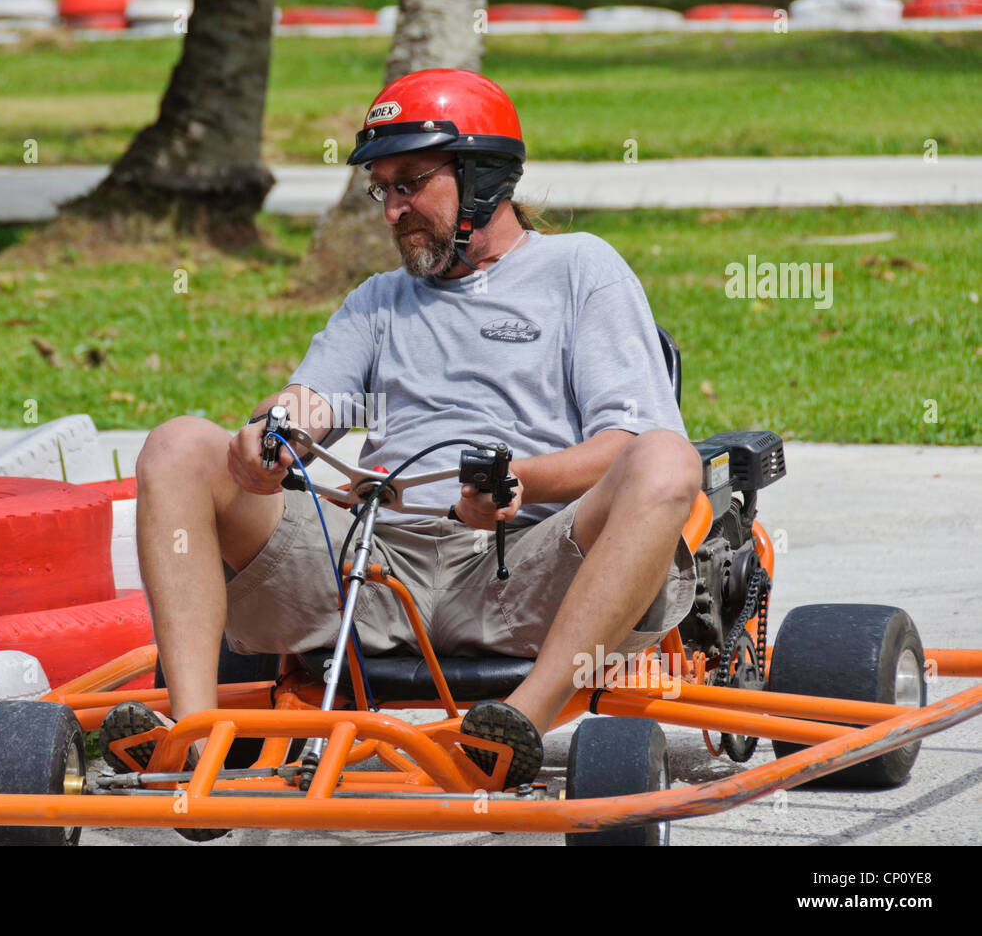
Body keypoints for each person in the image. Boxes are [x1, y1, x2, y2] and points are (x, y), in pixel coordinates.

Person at [118, 69, 702, 789]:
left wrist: (521, 480)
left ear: (483, 176)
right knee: (178, 444)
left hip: (527, 563)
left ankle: (518, 722)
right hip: (376, 567)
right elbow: (313, 402)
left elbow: (628, 443)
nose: (391, 210)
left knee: (670, 462)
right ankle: (196, 739)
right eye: (382, 189)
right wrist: (270, 435)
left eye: (411, 183)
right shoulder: (378, 301)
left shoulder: (580, 269)